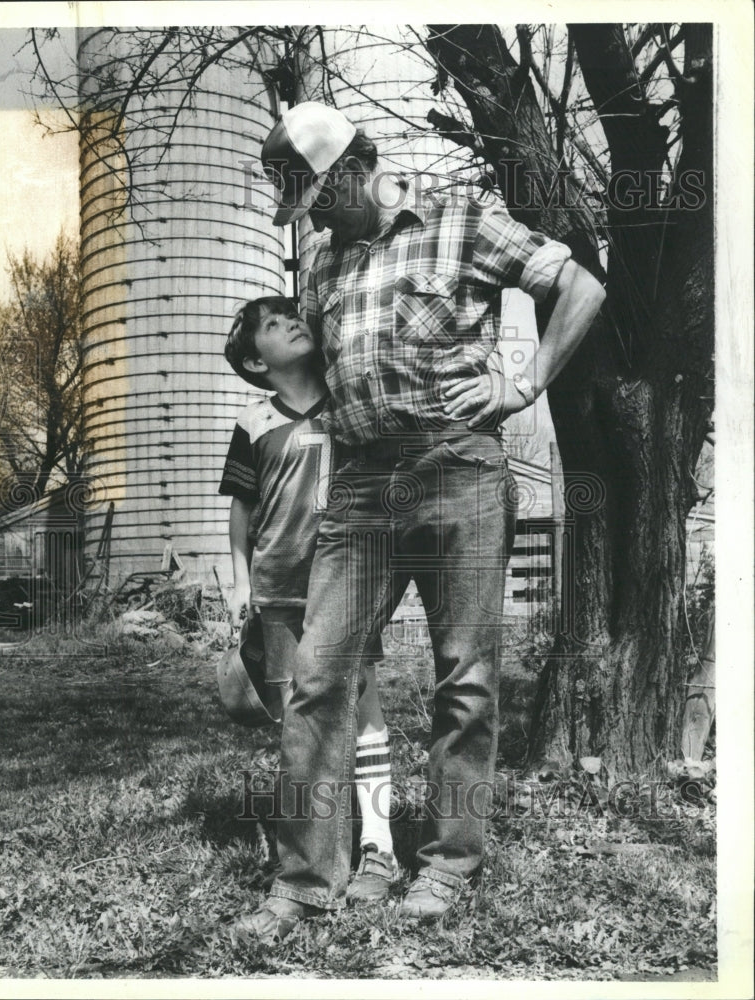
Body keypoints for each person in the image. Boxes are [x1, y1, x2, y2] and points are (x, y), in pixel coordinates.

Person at [234, 101, 606, 943]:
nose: (314, 219)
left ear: (354, 169)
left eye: (318, 199)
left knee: (463, 680)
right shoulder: (322, 270)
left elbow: (579, 283)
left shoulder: (460, 220)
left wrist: (526, 381)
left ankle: (448, 862)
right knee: (319, 679)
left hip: (457, 470)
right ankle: (303, 882)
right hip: (361, 487)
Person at [219, 294, 397, 902]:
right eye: (272, 325)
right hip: (278, 589)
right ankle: (308, 835)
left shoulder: (346, 403)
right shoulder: (254, 421)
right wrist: (242, 582)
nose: (292, 323)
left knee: (362, 704)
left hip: (344, 582)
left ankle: (379, 843)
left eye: (292, 315)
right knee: (297, 716)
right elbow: (242, 509)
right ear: (254, 362)